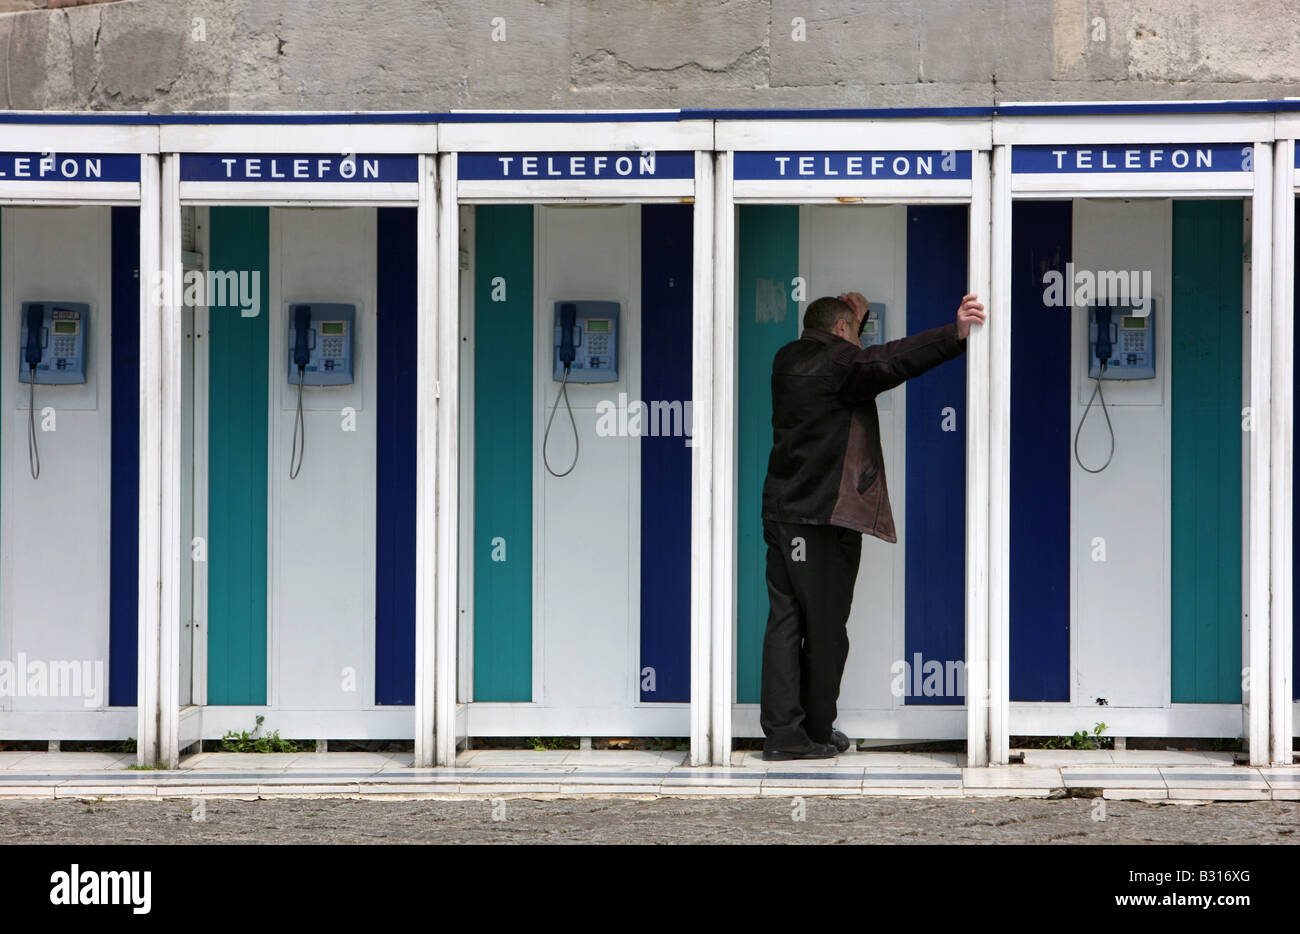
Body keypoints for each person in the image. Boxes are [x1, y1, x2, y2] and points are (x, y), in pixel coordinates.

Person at [759, 290, 986, 760]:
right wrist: (955, 333)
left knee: (786, 619)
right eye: (855, 329)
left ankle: (797, 731)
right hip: (820, 517)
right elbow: (890, 361)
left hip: (783, 511)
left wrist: (852, 322)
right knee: (824, 630)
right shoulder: (840, 365)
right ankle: (800, 735)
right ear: (843, 329)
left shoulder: (787, 357)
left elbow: (862, 357)